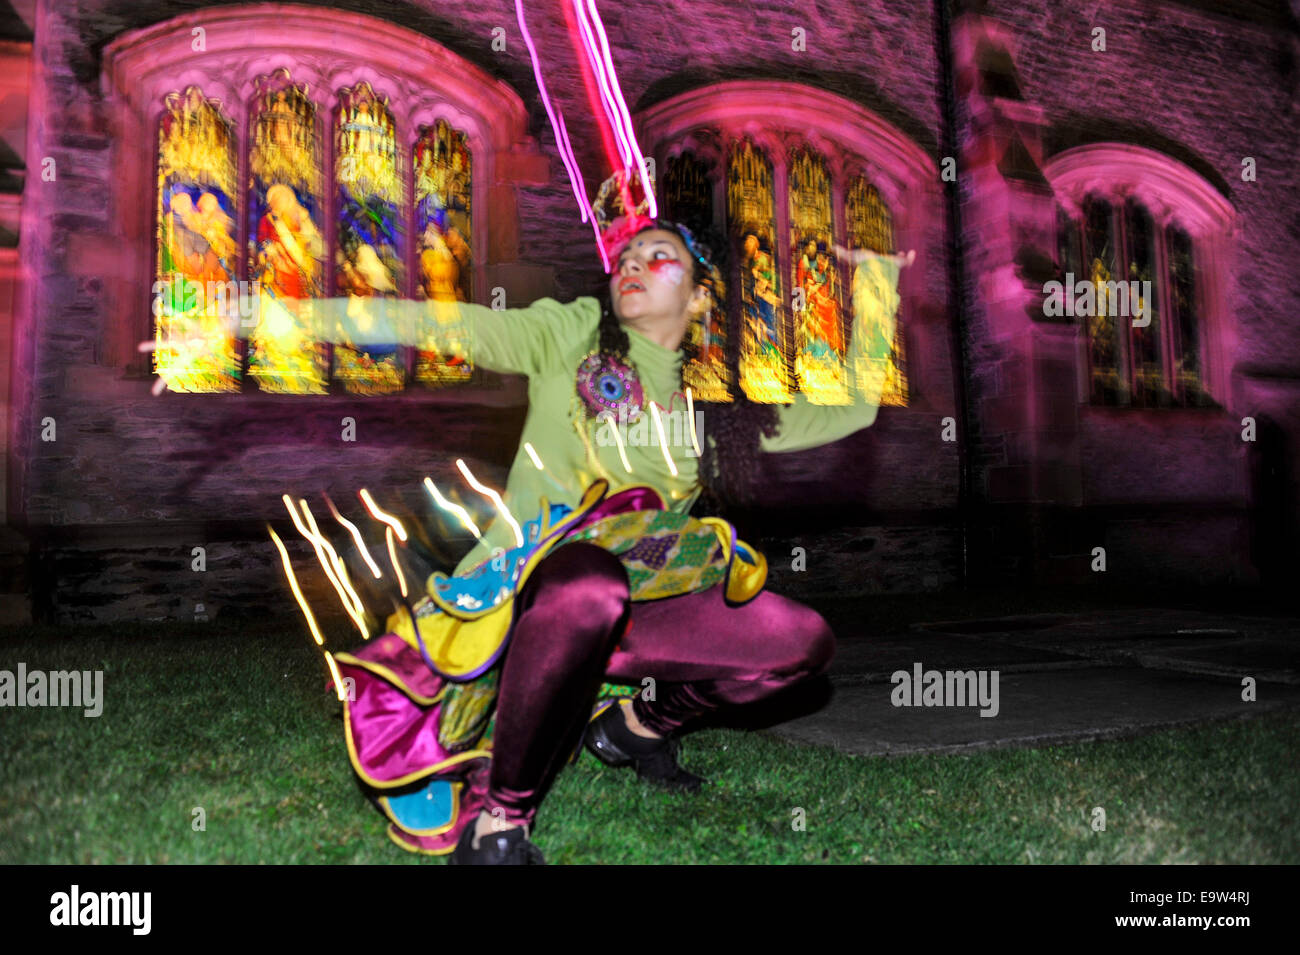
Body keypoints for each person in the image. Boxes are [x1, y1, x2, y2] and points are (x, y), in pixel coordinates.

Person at [317, 218, 913, 864]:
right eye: (626, 255)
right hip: (520, 607)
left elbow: (853, 407)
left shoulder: (717, 419)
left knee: (800, 640)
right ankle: (500, 821)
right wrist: (278, 314)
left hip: (621, 627)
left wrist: (878, 283)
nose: (632, 263)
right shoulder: (566, 333)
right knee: (588, 575)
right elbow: (441, 324)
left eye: (660, 257)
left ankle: (635, 727)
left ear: (699, 298)